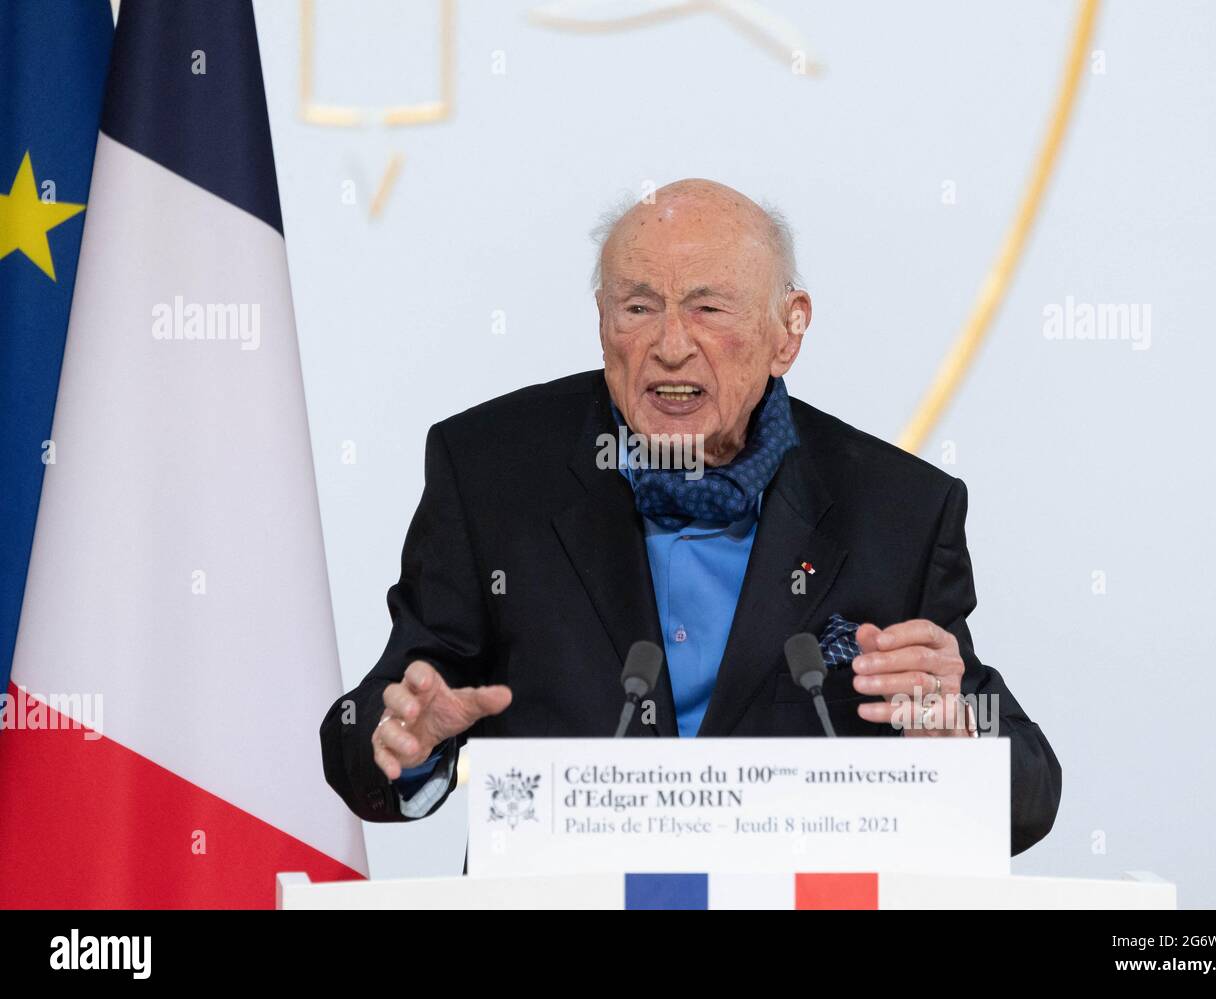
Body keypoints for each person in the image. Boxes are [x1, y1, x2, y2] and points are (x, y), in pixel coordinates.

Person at [320, 179, 1062, 855]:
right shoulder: (491, 472)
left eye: (708, 308)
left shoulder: (897, 510)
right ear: (603, 322)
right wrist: (406, 743)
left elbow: (1030, 787)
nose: (670, 346)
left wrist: (960, 727)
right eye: (638, 307)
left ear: (788, 331)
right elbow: (365, 728)